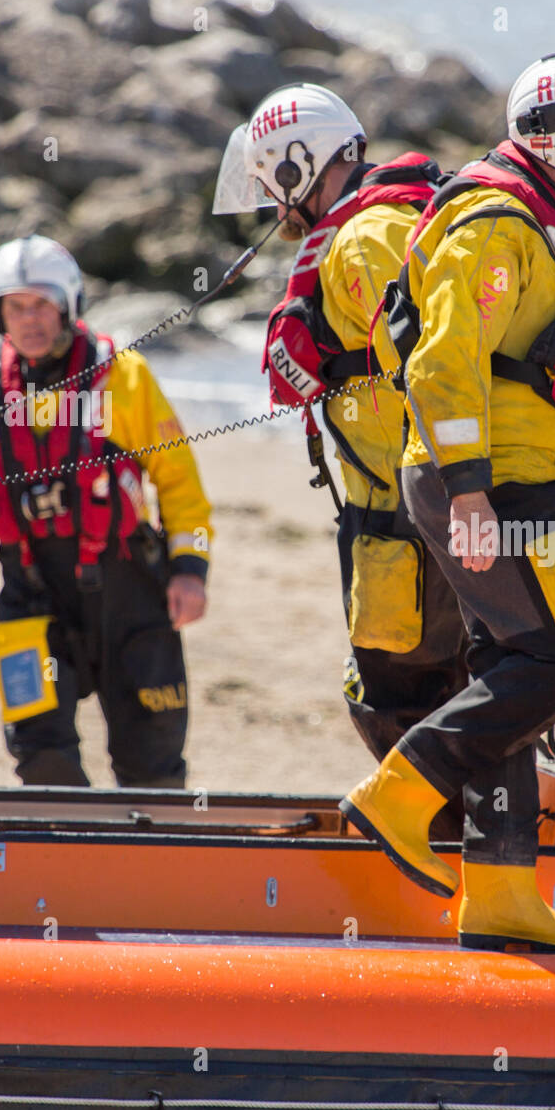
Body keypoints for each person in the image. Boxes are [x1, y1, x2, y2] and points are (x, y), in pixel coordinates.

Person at [340, 52, 555, 951]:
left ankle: (497, 890)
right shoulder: (496, 226)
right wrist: (469, 494)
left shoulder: (550, 216)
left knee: (513, 668)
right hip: (485, 485)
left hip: (531, 478)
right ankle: (403, 791)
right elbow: (443, 364)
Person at [212, 84, 467, 834]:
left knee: (395, 692)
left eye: (271, 185)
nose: (272, 207)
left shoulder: (362, 239)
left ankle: (436, 846)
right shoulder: (382, 222)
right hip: (411, 503)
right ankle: (447, 841)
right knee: (418, 686)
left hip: (407, 511)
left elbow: (437, 364)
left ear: (297, 165)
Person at [0, 235, 212, 787]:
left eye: (41, 304)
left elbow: (178, 481)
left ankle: (153, 864)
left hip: (127, 584)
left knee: (153, 756)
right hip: (28, 589)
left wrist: (191, 569)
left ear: (67, 304)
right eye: (15, 307)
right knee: (41, 755)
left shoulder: (125, 378)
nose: (30, 319)